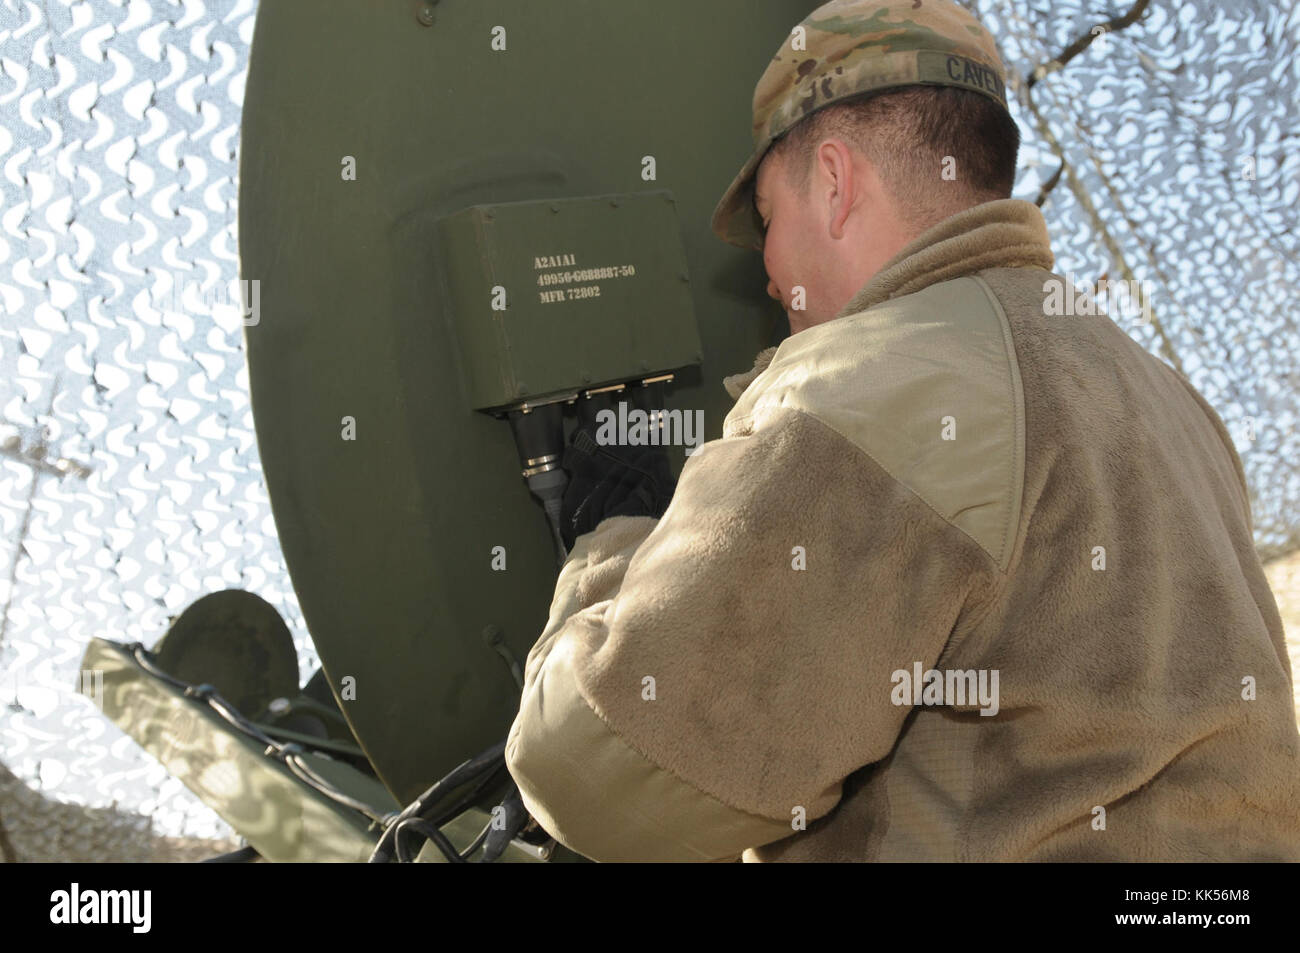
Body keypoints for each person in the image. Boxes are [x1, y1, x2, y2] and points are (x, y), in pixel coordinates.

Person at [505, 0, 1300, 861]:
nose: (766, 274)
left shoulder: (868, 382)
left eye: (769, 220)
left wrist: (608, 550)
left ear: (837, 183)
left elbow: (602, 770)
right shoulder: (1161, 392)